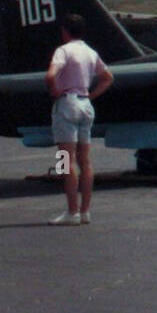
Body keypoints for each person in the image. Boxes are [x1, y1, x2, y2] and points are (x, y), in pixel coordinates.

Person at [46, 14, 113, 225]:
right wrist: (91, 96)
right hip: (85, 104)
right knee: (85, 160)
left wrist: (55, 91)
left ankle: (71, 211)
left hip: (67, 104)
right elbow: (107, 78)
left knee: (66, 160)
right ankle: (85, 211)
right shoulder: (90, 52)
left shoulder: (63, 50)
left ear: (65, 31)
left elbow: (50, 75)